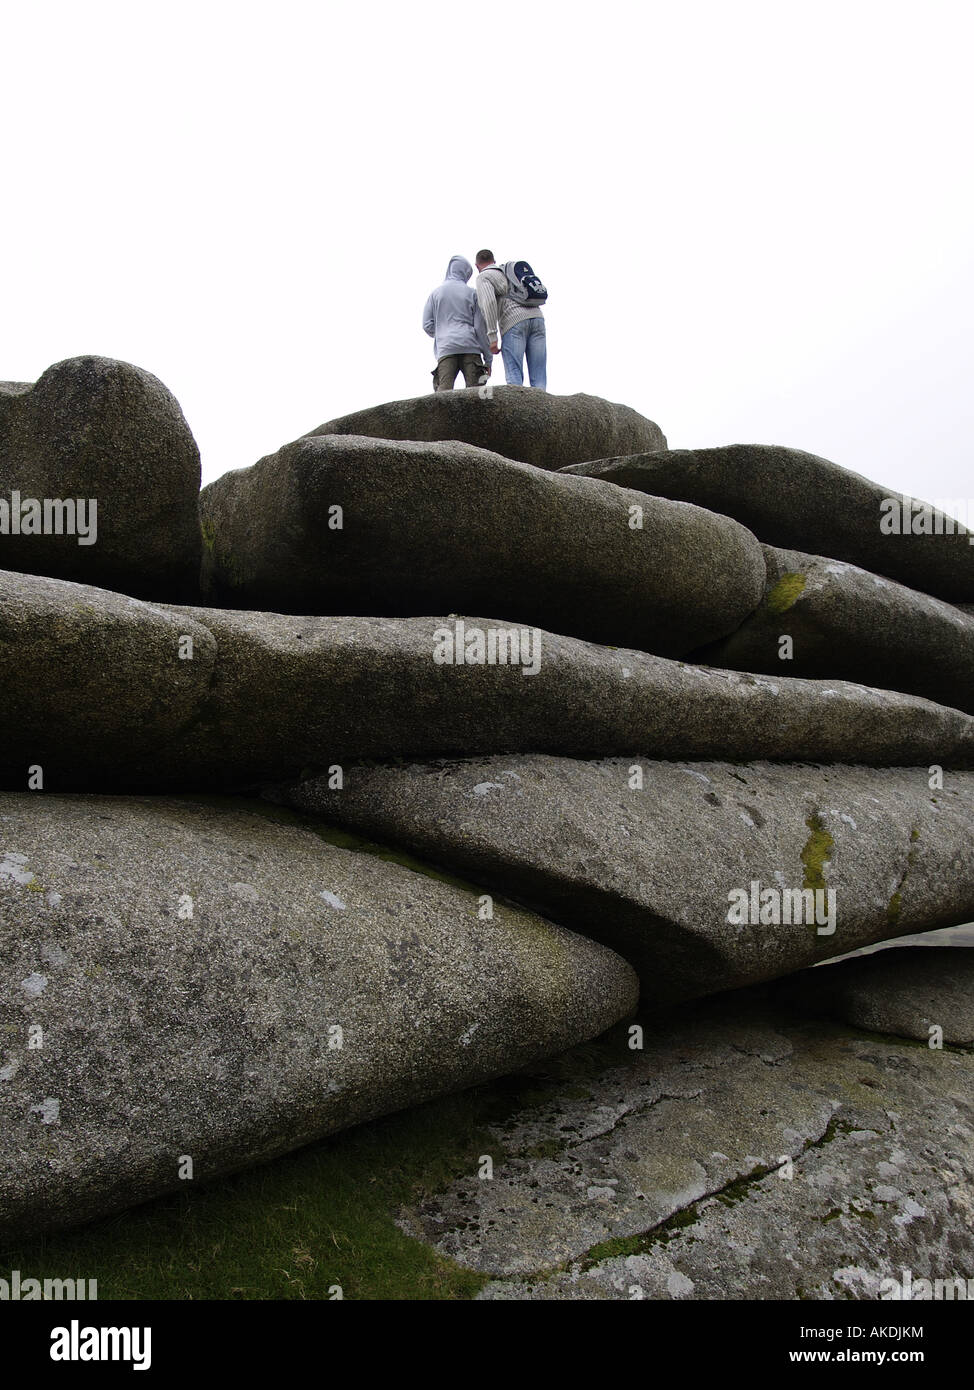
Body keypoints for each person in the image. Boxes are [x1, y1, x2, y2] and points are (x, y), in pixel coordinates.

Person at [475, 249, 547, 389]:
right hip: (537, 317)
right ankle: (543, 409)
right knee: (539, 376)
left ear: (477, 266)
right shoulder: (509, 272)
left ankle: (519, 410)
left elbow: (489, 304)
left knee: (514, 376)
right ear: (494, 261)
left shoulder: (484, 276)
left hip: (513, 322)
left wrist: (492, 337)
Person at [422, 255, 491, 391]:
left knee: (444, 395)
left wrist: (442, 331)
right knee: (476, 395)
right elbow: (480, 327)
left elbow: (427, 325)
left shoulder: (435, 294)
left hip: (446, 347)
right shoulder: (473, 293)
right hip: (470, 346)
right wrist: (488, 358)